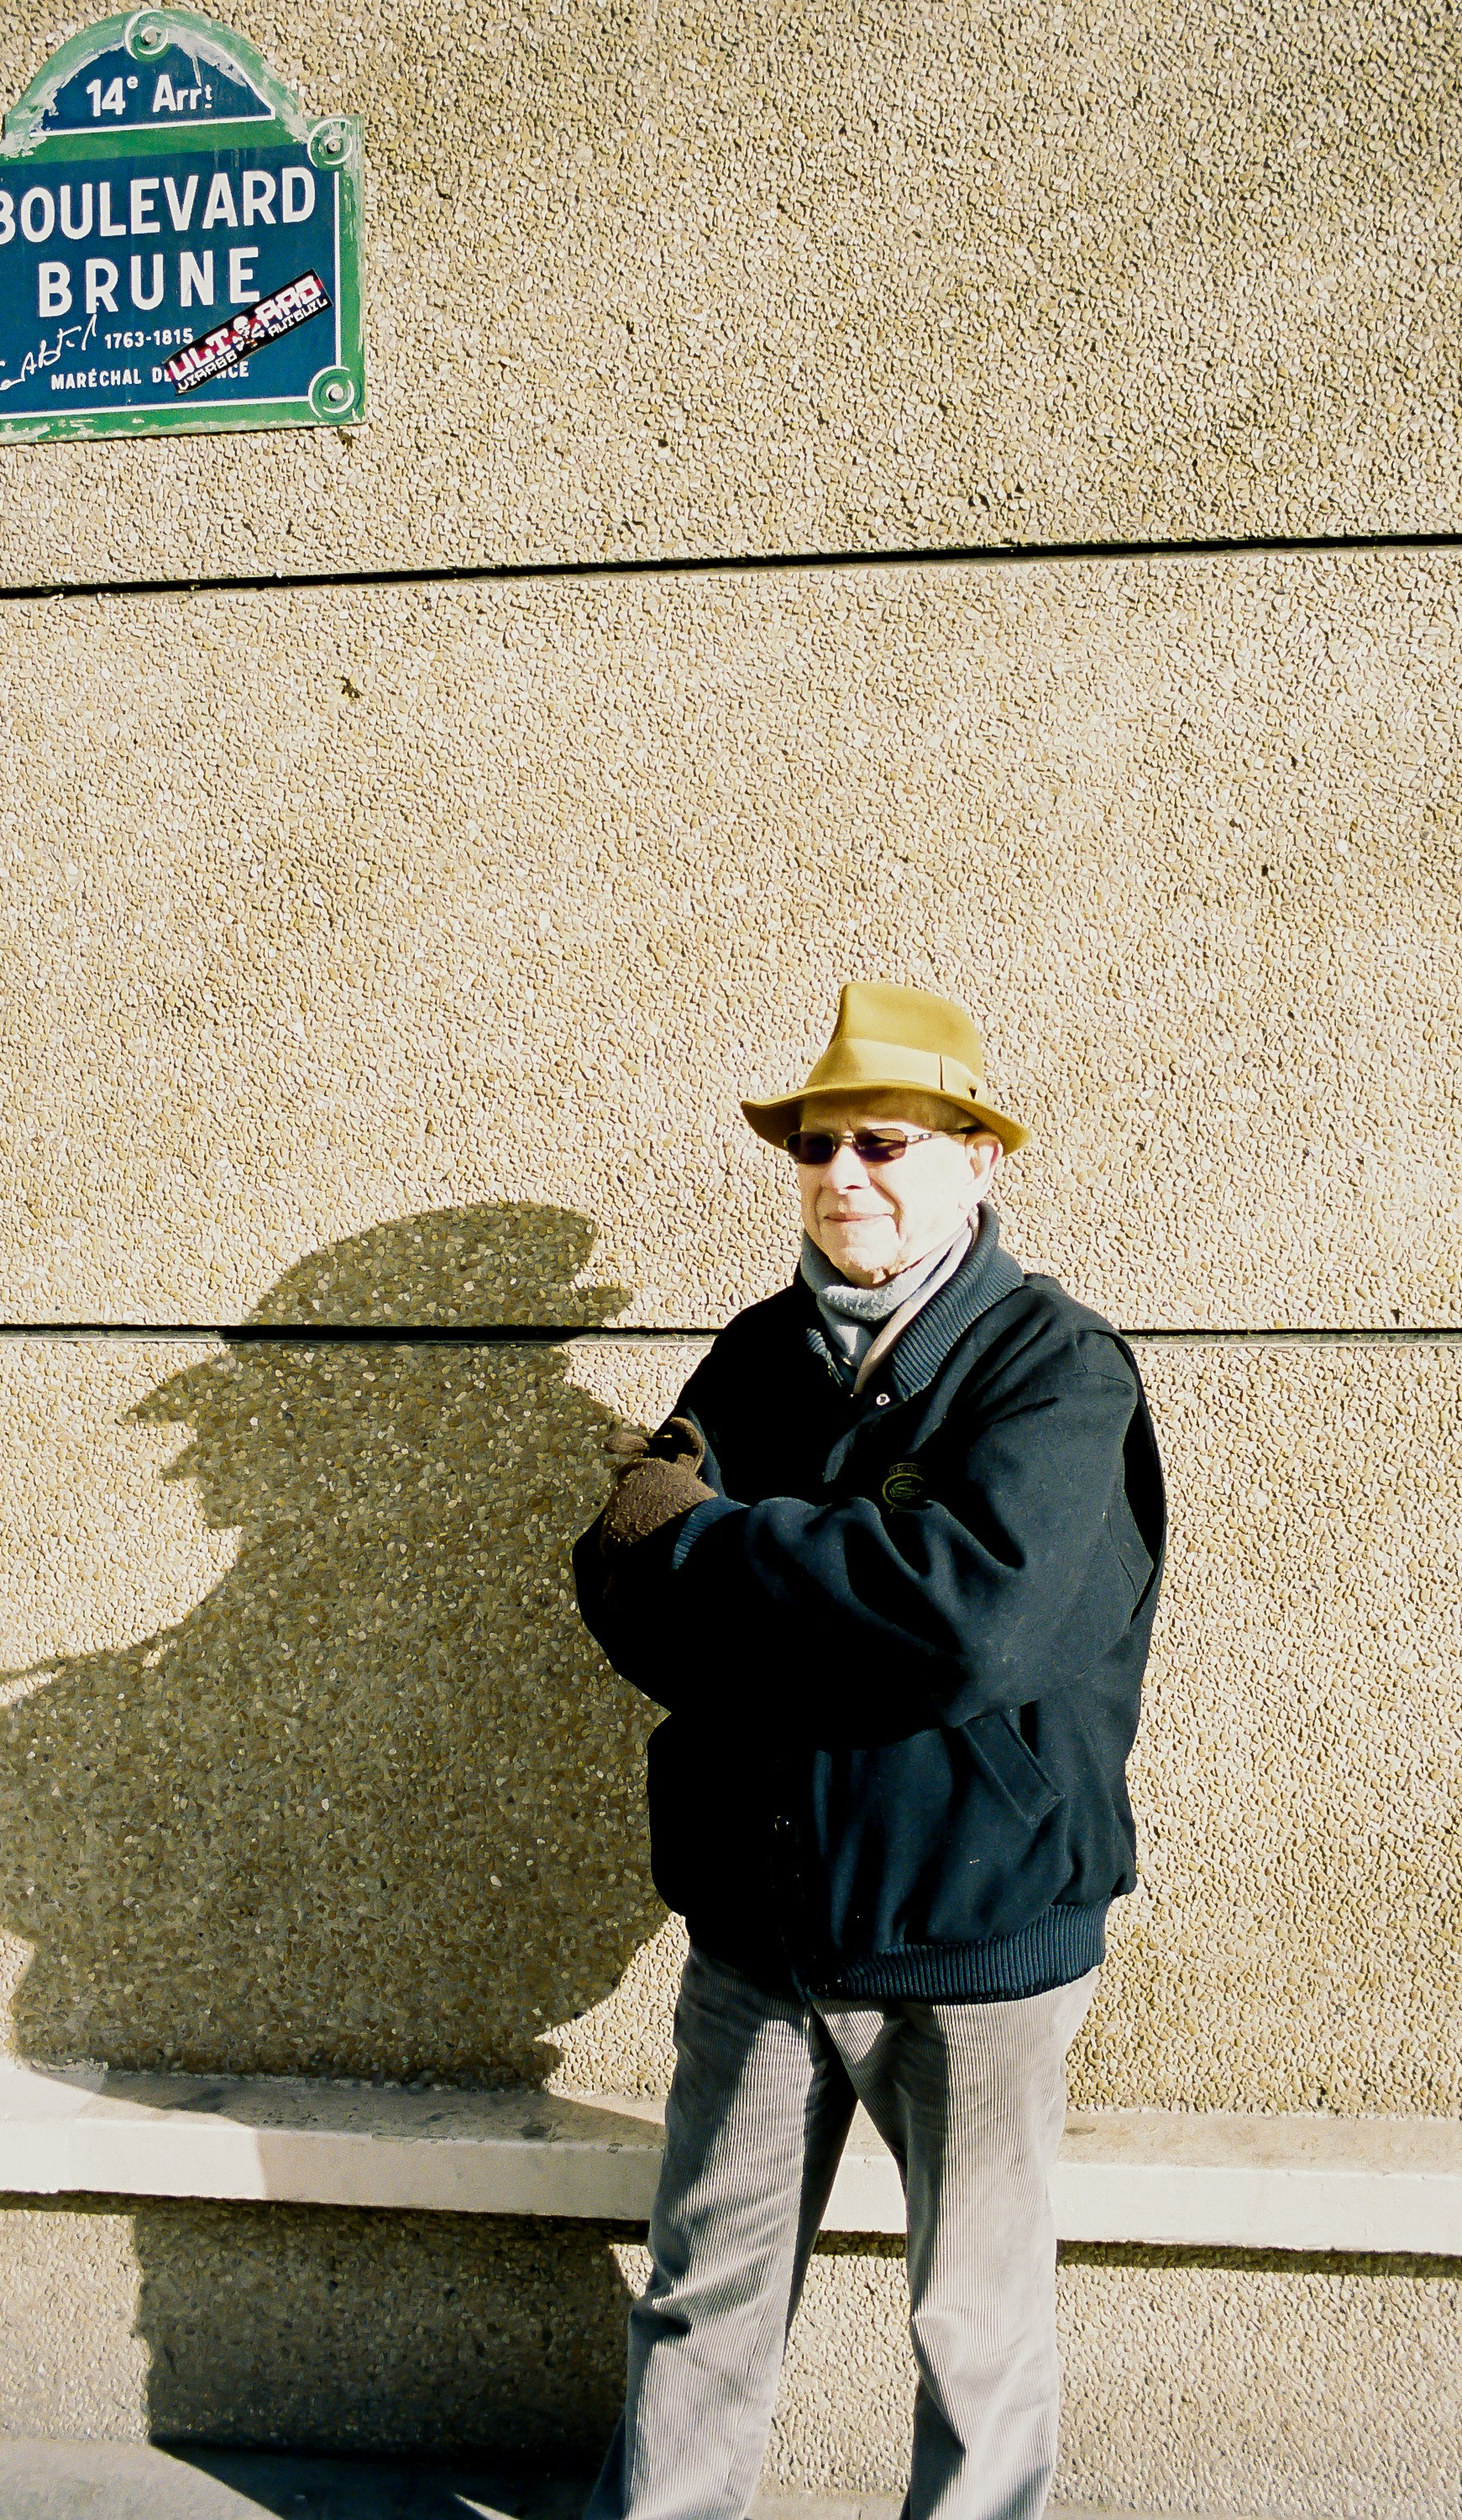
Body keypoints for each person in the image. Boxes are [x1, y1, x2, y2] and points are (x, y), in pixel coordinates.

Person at [573, 980, 1165, 2520]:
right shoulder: (757, 1356)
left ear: (977, 1158)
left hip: (978, 1932)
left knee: (972, 2331)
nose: (845, 1175)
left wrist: (731, 1554)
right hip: (761, 1936)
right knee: (701, 2300)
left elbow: (967, 1626)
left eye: (884, 1142)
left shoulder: (1054, 1370)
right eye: (816, 1146)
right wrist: (836, 1570)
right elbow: (624, 1587)